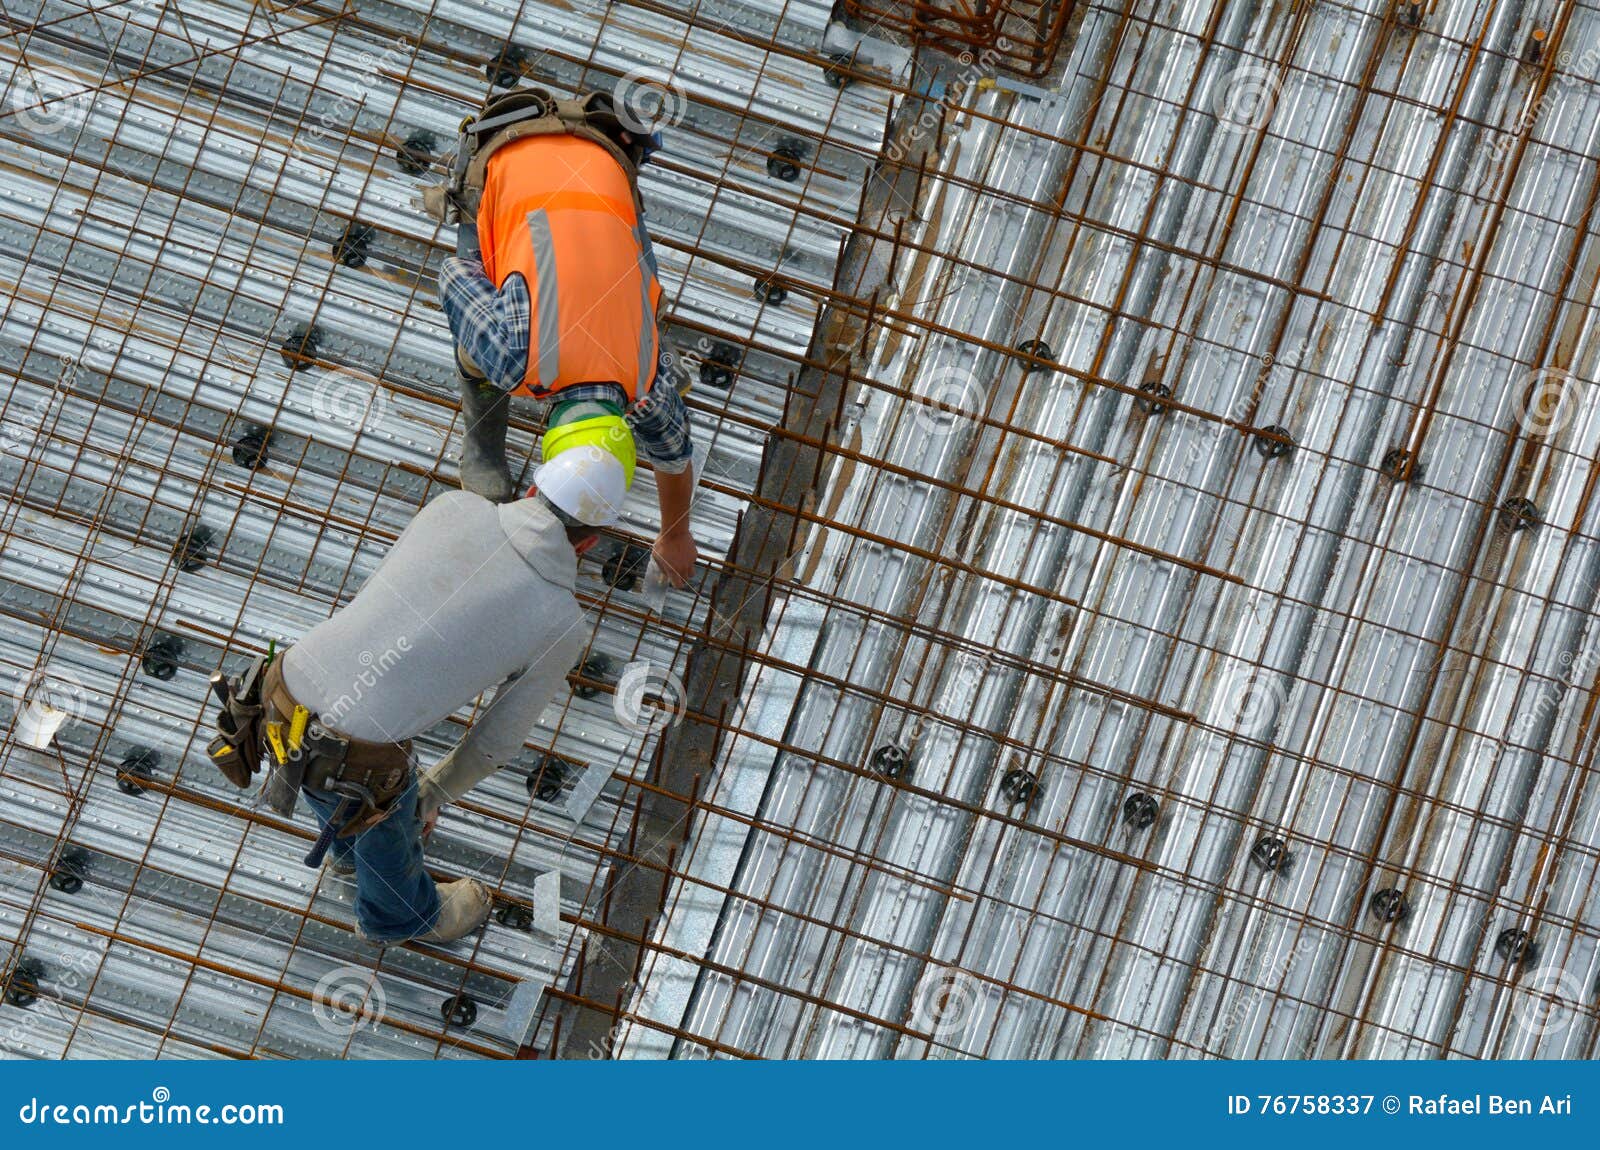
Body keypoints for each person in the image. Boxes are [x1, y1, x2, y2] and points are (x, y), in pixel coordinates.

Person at [204, 438, 628, 944]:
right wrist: (431, 793)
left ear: (535, 486)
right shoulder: (563, 621)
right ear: (589, 543)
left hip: (278, 686)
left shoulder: (454, 505)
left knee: (343, 775)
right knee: (389, 800)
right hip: (354, 760)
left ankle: (348, 856)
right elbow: (495, 741)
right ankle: (400, 917)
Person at [433, 86, 699, 586]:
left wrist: (679, 534)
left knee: (639, 303)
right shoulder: (522, 363)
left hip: (606, 155)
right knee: (480, 349)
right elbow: (451, 274)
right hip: (504, 150)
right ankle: (483, 444)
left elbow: (675, 451)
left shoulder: (645, 388)